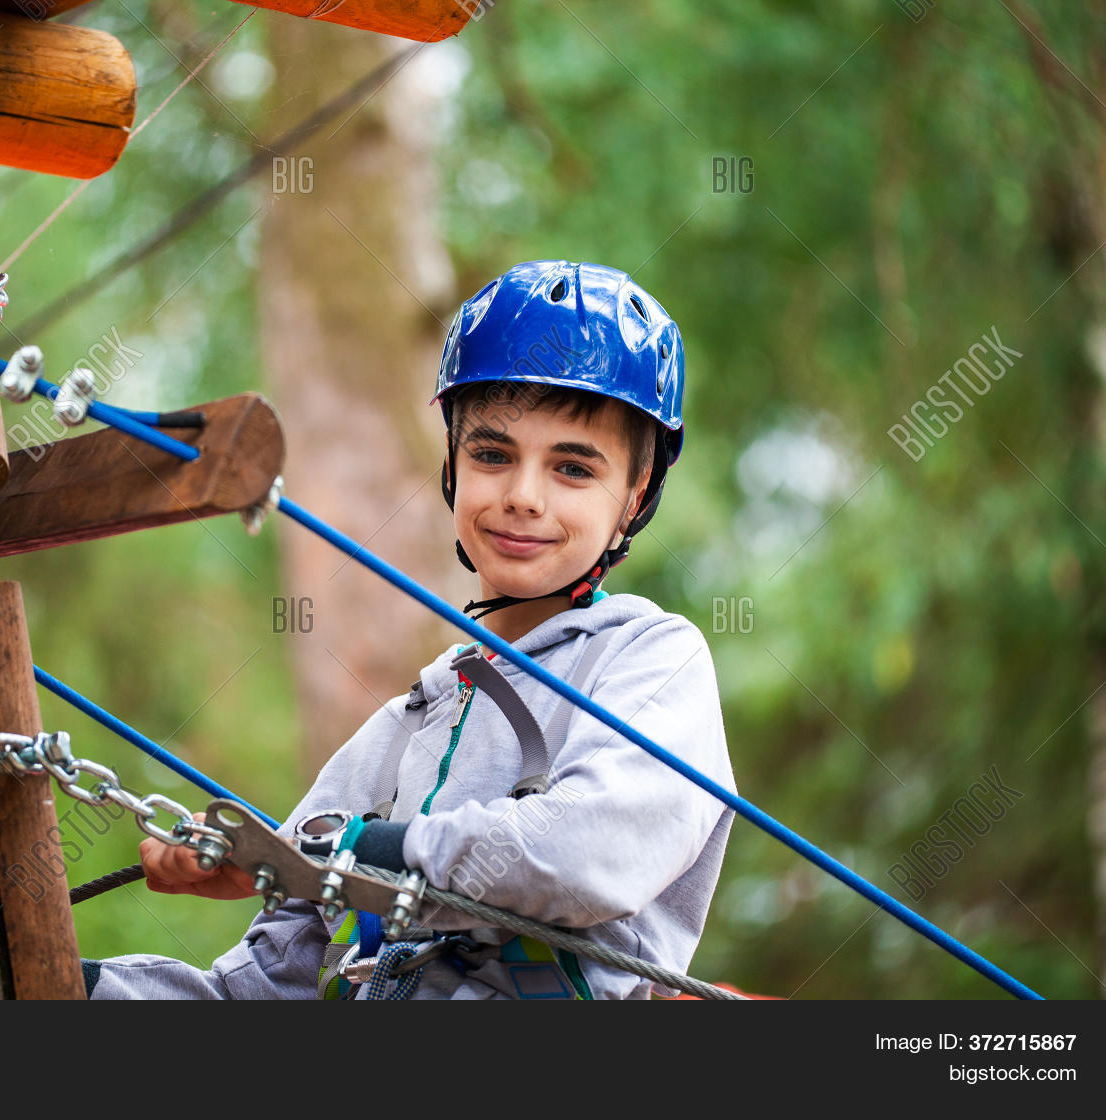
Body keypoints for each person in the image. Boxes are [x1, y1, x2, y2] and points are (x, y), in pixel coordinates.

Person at [86, 260, 734, 999]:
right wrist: (73, 989)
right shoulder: (408, 727)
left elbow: (588, 853)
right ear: (453, 466)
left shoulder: (652, 662)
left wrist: (366, 851)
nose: (523, 496)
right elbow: (265, 987)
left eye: (573, 469)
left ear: (634, 497)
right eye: (492, 454)